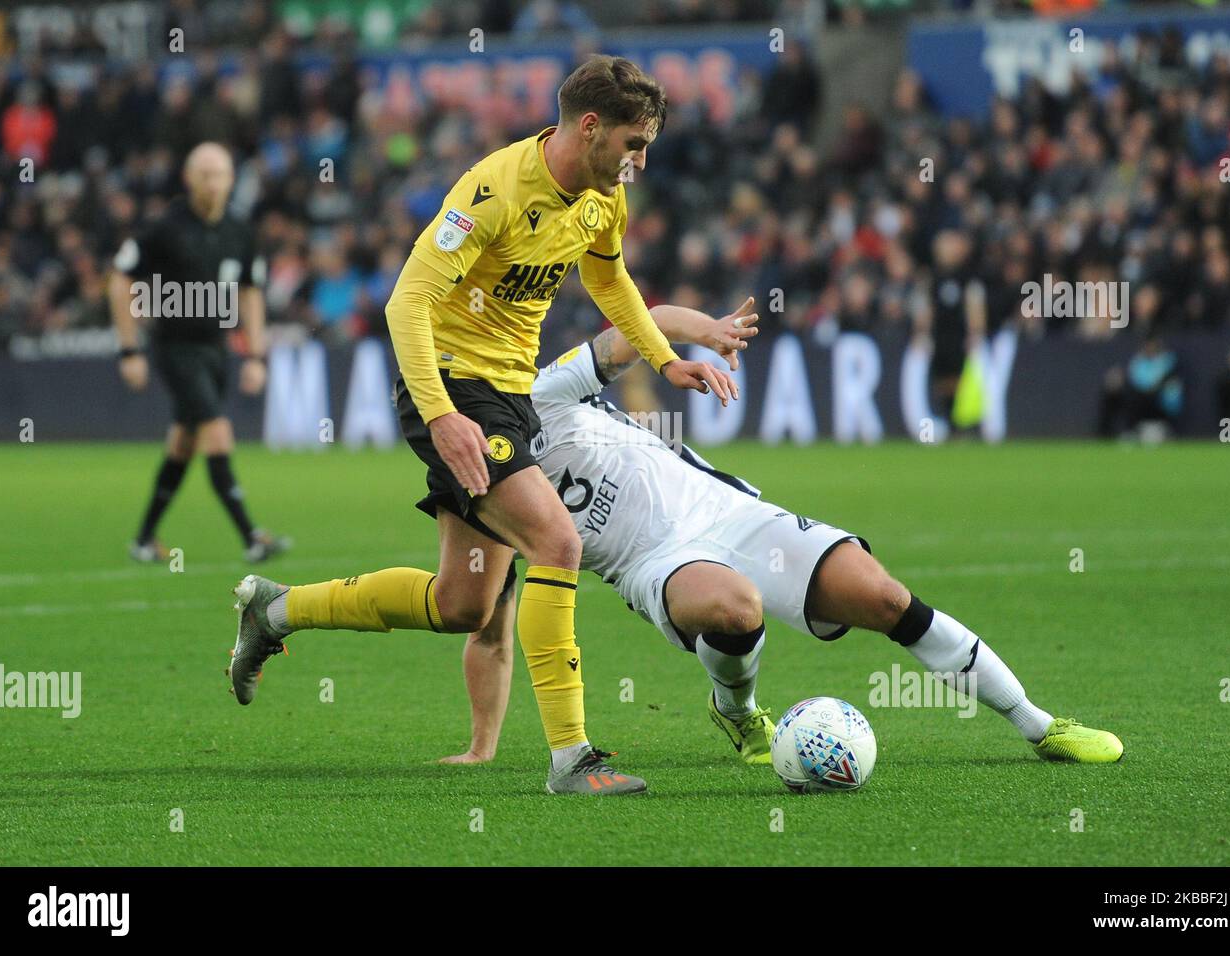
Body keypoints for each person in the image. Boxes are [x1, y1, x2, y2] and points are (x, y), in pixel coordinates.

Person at [226, 56, 736, 796]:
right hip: (450, 383)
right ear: (589, 127)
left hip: (509, 394)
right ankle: (572, 759)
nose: (641, 160)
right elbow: (406, 304)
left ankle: (275, 609)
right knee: (558, 538)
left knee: (462, 602)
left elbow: (606, 279)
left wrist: (662, 359)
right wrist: (442, 416)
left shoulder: (601, 197)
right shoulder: (493, 190)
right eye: (632, 143)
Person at [445, 299, 1124, 767]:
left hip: (728, 514)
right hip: (651, 563)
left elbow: (643, 320)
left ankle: (1039, 725)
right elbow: (485, 614)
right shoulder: (479, 478)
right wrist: (482, 739)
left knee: (884, 598)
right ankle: (736, 710)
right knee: (733, 606)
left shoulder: (545, 393)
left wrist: (703, 331)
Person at [110, 141, 289, 564]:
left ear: (232, 179)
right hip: (175, 348)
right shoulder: (164, 228)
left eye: (220, 174)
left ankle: (143, 538)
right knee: (216, 431)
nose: (212, 183)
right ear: (188, 179)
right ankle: (252, 537)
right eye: (204, 174)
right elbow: (120, 279)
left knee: (183, 443)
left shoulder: (240, 231)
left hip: (216, 349)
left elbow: (250, 293)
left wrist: (255, 356)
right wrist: (128, 349)